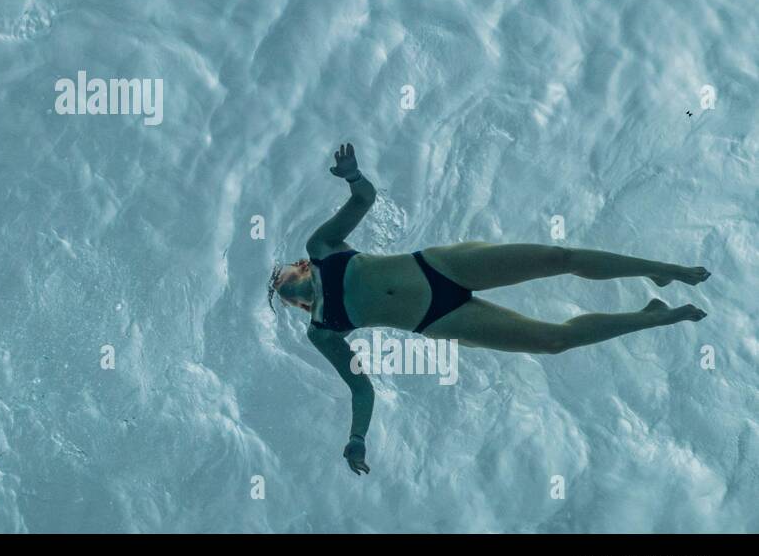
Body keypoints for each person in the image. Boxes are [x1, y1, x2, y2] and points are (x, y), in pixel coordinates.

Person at [269, 143, 710, 476]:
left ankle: (660, 270)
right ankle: (655, 316)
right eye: (277, 291)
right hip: (437, 320)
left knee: (558, 258)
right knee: (553, 342)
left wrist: (352, 176)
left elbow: (365, 200)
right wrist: (357, 439)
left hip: (438, 266)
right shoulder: (321, 331)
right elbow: (361, 389)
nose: (279, 284)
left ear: (297, 265)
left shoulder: (322, 247)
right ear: (294, 304)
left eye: (278, 274)